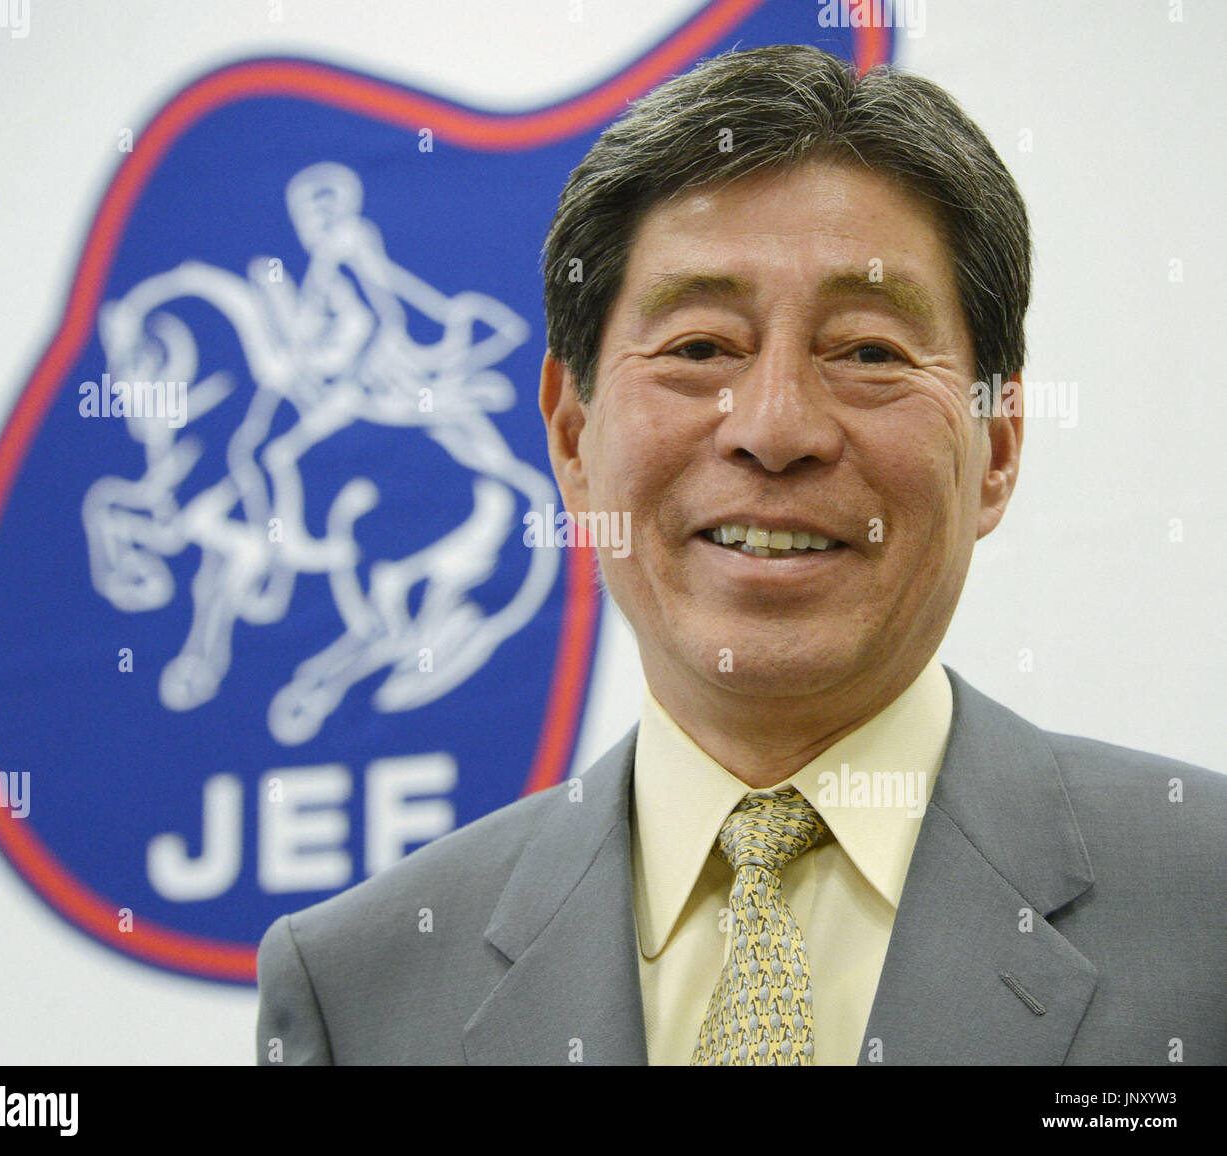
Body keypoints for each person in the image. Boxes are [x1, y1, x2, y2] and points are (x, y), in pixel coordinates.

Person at [255, 44, 1227, 1065]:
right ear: (573, 439)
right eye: (700, 349)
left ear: (997, 447)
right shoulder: (361, 992)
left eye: (867, 353)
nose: (773, 428)